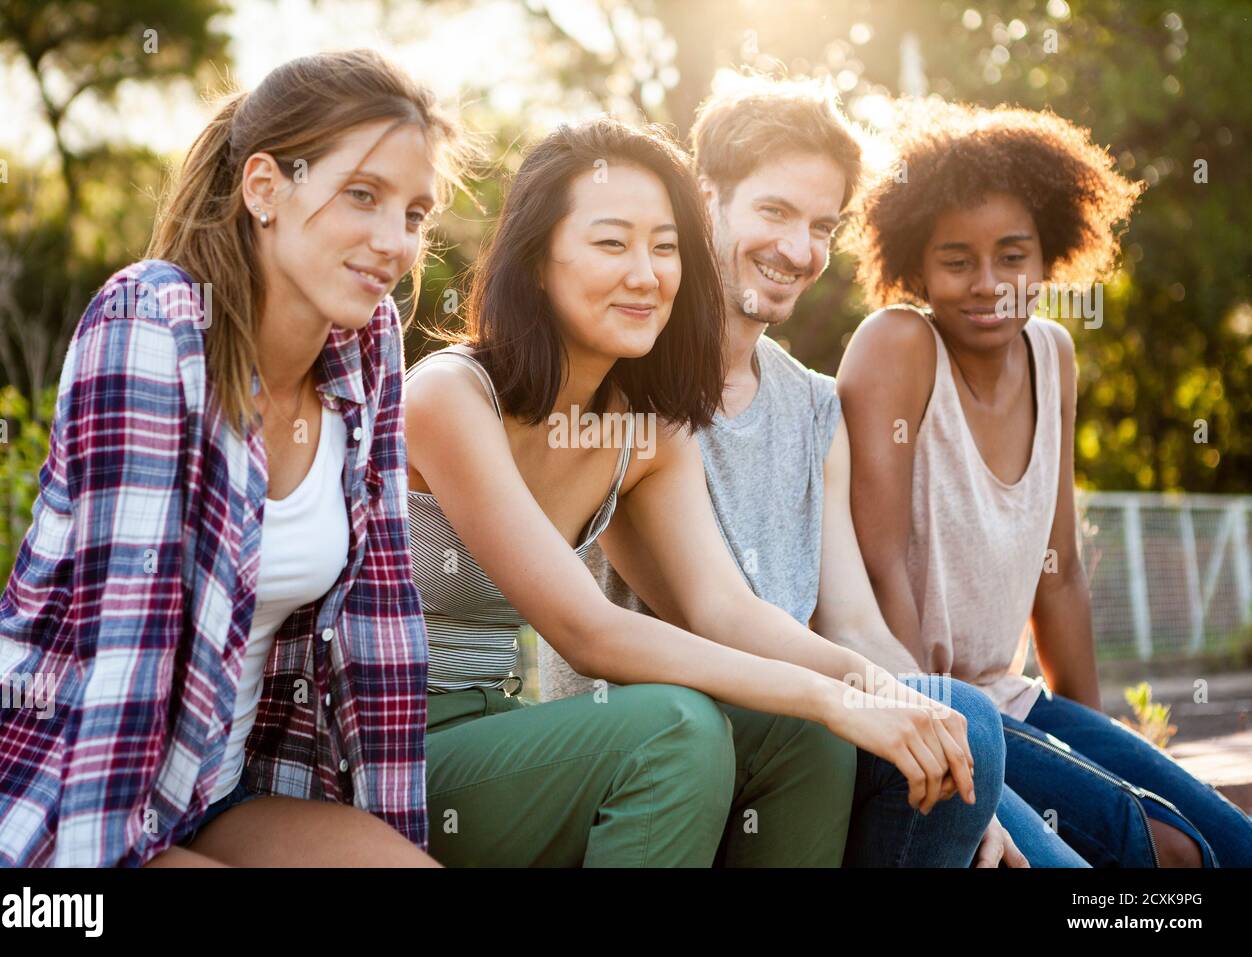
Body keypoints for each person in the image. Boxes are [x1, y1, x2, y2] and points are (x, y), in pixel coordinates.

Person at [405, 115, 999, 868]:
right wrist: (830, 693)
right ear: (539, 258)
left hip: (502, 727)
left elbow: (725, 610)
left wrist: (882, 692)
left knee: (805, 734)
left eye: (665, 247)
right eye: (612, 242)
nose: (646, 273)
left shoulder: (645, 432)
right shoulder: (452, 397)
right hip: (398, 752)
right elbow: (588, 632)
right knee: (676, 726)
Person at [0, 49, 470, 867]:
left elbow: (380, 628)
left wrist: (385, 831)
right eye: (362, 196)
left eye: (414, 213)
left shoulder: (368, 350)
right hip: (58, 791)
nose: (393, 243)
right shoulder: (152, 324)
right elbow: (121, 650)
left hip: (219, 789)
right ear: (264, 188)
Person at [538, 73, 1044, 867]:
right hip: (673, 751)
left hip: (811, 747)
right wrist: (905, 713)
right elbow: (720, 614)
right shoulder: (631, 390)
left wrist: (945, 742)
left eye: (821, 225)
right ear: (704, 200)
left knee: (976, 740)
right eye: (774, 211)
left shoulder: (814, 406)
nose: (799, 250)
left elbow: (853, 622)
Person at [837, 100, 1252, 867]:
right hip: (929, 713)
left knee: (1227, 841)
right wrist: (933, 714)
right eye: (956, 260)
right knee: (1157, 850)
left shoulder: (1053, 354)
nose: (988, 282)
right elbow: (879, 562)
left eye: (1013, 255)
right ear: (916, 266)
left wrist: (1095, 748)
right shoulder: (897, 347)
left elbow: (1056, 575)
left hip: (1017, 699)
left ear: (1051, 253)